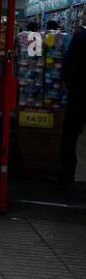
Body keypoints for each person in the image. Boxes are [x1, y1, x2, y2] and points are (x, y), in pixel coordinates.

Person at [59, 24, 86, 186]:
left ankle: (67, 176)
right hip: (78, 90)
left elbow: (67, 62)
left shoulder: (80, 37)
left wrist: (67, 82)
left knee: (69, 137)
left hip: (80, 92)